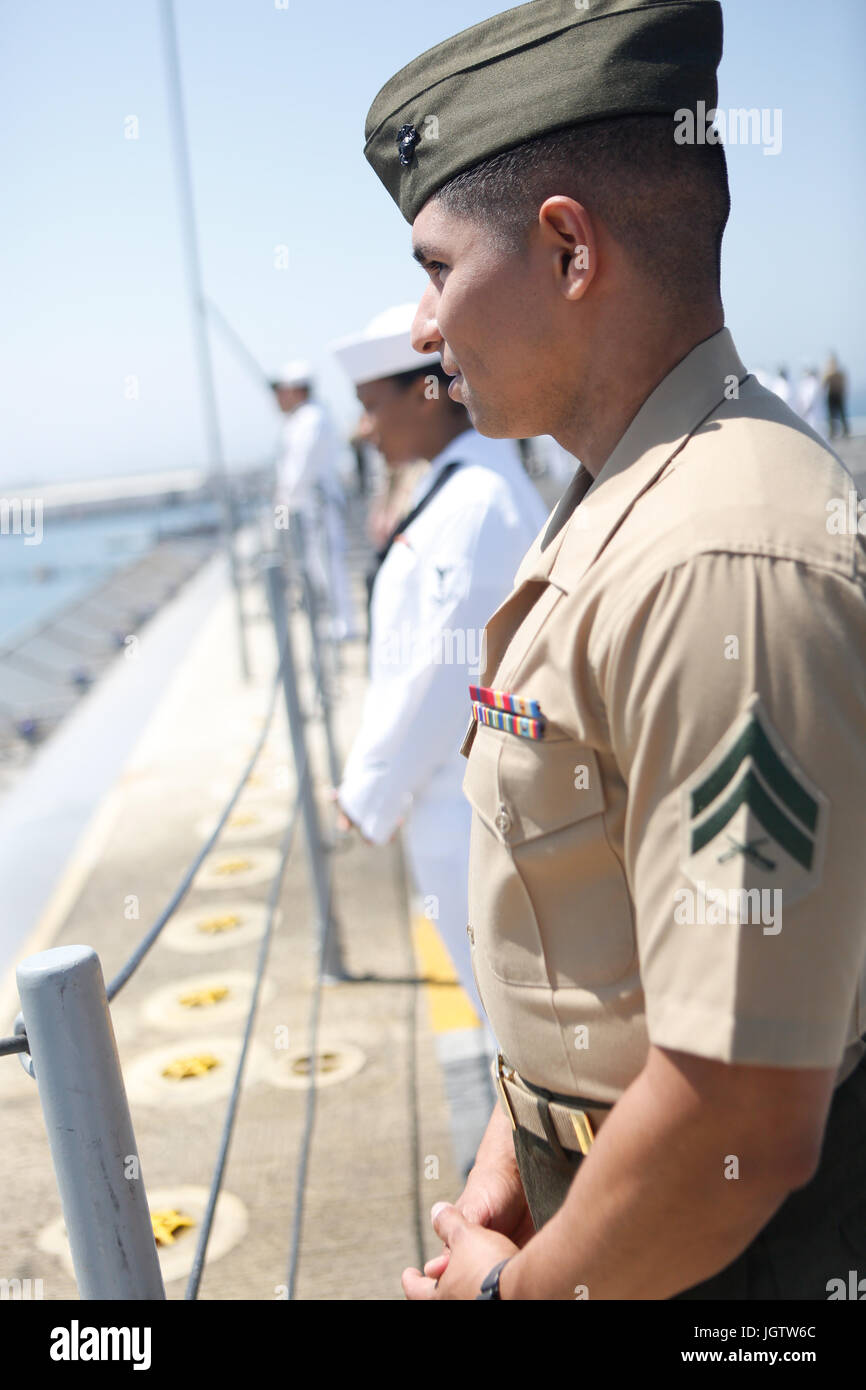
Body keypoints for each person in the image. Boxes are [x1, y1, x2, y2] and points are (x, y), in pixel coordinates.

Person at [362, 0, 866, 1300]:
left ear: (568, 249)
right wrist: (512, 1152)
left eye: (434, 267)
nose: (423, 330)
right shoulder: (630, 486)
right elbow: (605, 927)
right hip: (614, 1212)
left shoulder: (717, 559)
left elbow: (738, 1114)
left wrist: (502, 1297)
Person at [331, 303, 549, 1033]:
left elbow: (440, 678)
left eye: (370, 405)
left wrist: (369, 791)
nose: (364, 428)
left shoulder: (475, 503)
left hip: (466, 817)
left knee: (509, 1020)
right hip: (452, 805)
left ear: (427, 392)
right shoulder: (458, 487)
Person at [271, 360, 358, 640]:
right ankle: (339, 620)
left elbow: (301, 467)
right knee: (319, 565)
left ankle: (345, 623)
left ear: (296, 390)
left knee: (329, 564)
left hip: (318, 506)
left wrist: (285, 500)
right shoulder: (305, 417)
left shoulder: (311, 419)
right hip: (310, 506)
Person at [823, 353, 850, 440]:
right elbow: (824, 383)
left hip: (836, 395)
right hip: (833, 395)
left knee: (840, 415)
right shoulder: (833, 372)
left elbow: (844, 384)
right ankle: (833, 431)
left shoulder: (837, 372)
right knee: (832, 415)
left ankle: (844, 431)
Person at [795, 367, 823, 436]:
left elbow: (811, 400)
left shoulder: (813, 383)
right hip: (809, 412)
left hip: (812, 412)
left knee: (814, 429)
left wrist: (805, 410)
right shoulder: (808, 383)